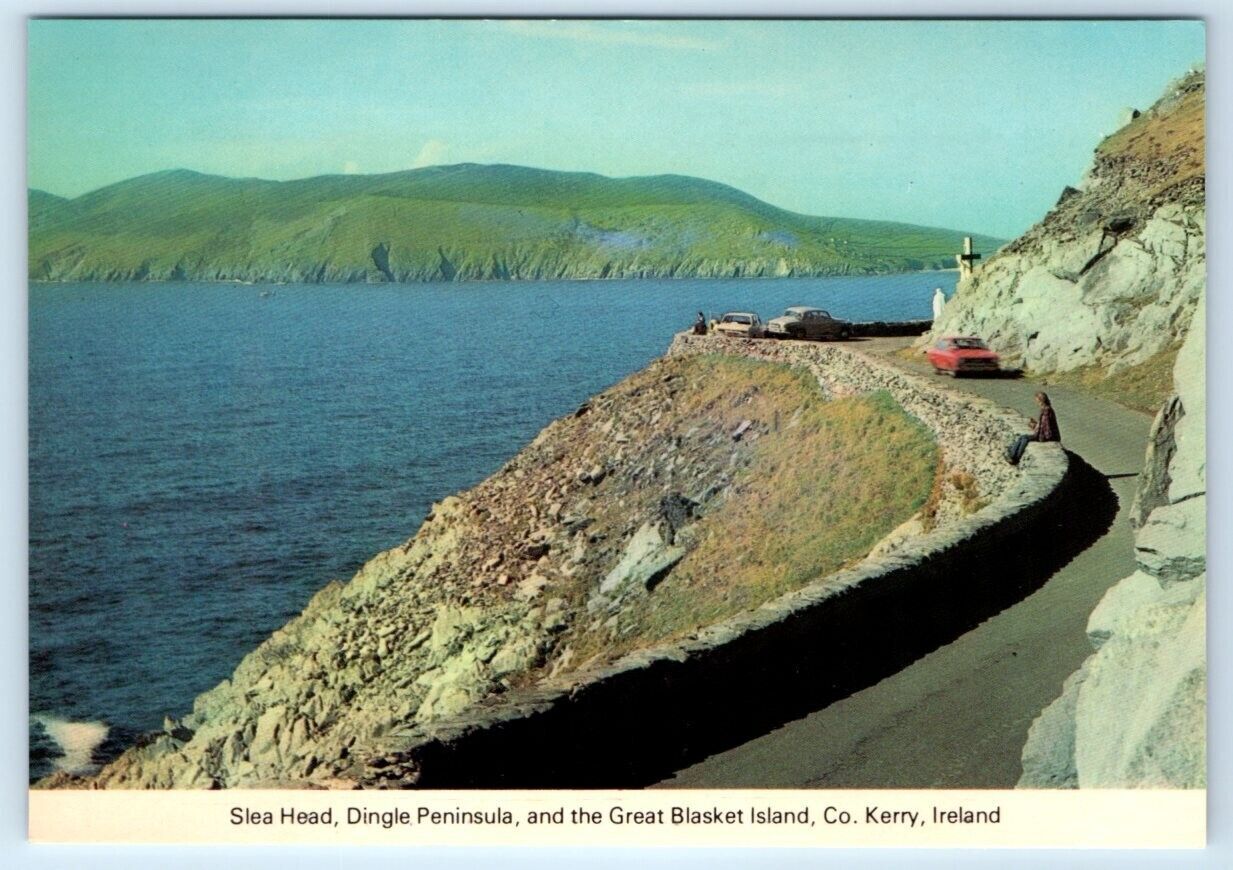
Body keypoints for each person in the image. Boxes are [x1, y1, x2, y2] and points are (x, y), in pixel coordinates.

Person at [1007, 391, 1060, 465]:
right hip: (1044, 434)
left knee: (1025, 438)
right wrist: (1034, 425)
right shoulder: (1047, 409)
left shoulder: (1046, 410)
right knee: (1023, 437)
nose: (1037, 402)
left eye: (1037, 400)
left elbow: (1046, 427)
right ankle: (1013, 453)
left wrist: (1040, 437)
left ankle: (1015, 457)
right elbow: (1043, 424)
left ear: (1040, 400)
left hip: (1046, 436)